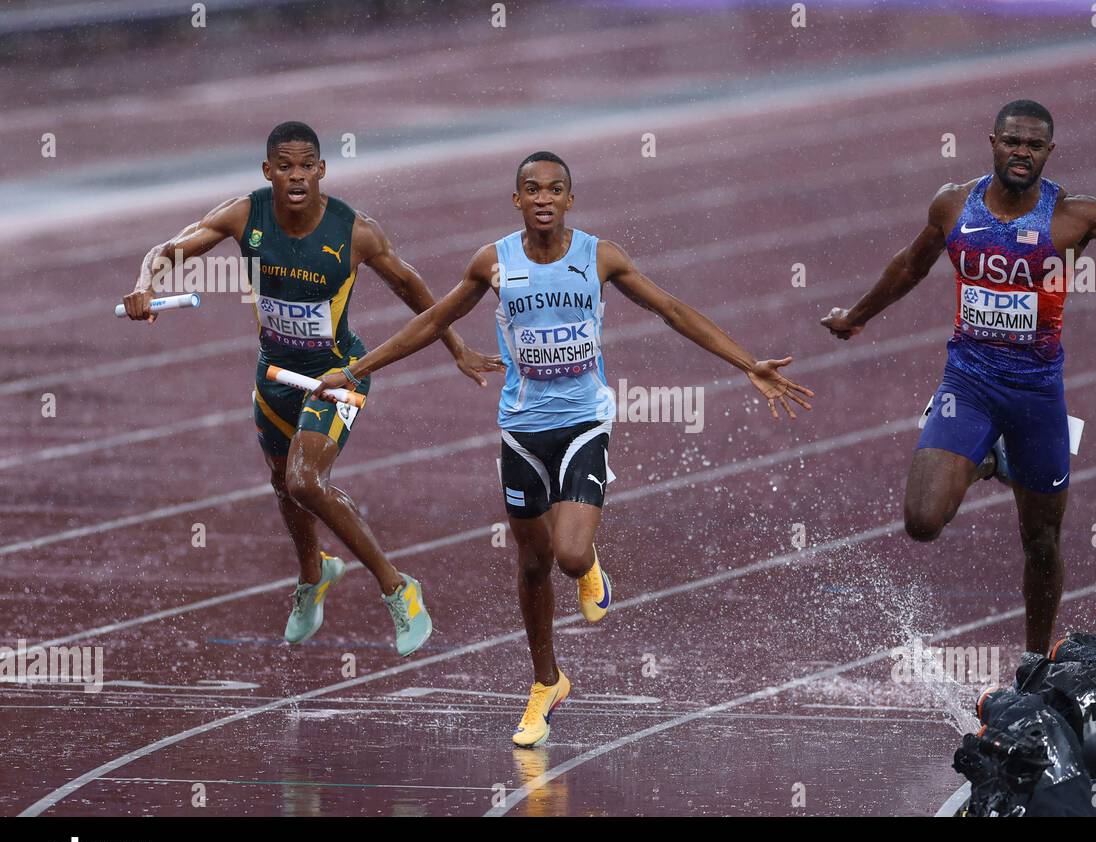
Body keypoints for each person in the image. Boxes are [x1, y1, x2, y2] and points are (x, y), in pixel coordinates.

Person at [316, 151, 814, 745]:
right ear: (517, 200)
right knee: (531, 564)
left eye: (555, 189)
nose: (544, 198)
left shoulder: (598, 257)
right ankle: (546, 682)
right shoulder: (492, 263)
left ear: (569, 200)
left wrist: (746, 364)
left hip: (583, 421)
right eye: (533, 189)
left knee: (571, 555)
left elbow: (672, 311)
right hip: (522, 428)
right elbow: (430, 322)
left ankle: (590, 569)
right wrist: (357, 369)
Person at [821, 100, 1096, 654]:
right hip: (967, 383)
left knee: (1041, 540)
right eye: (1012, 142)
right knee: (922, 520)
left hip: (1037, 395)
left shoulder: (1074, 216)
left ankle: (1035, 660)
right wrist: (856, 316)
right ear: (992, 142)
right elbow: (910, 265)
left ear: (1050, 151)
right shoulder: (953, 204)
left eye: (1034, 145)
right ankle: (988, 455)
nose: (1021, 153)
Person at [120, 121, 503, 657]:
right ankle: (314, 573)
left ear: (321, 170)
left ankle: (398, 588)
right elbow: (168, 250)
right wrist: (145, 285)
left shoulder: (355, 232)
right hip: (274, 374)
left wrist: (457, 346)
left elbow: (412, 285)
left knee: (305, 480)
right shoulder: (243, 215)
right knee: (284, 483)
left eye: (306, 166)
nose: (296, 175)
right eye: (285, 166)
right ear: (268, 172)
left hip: (336, 374)